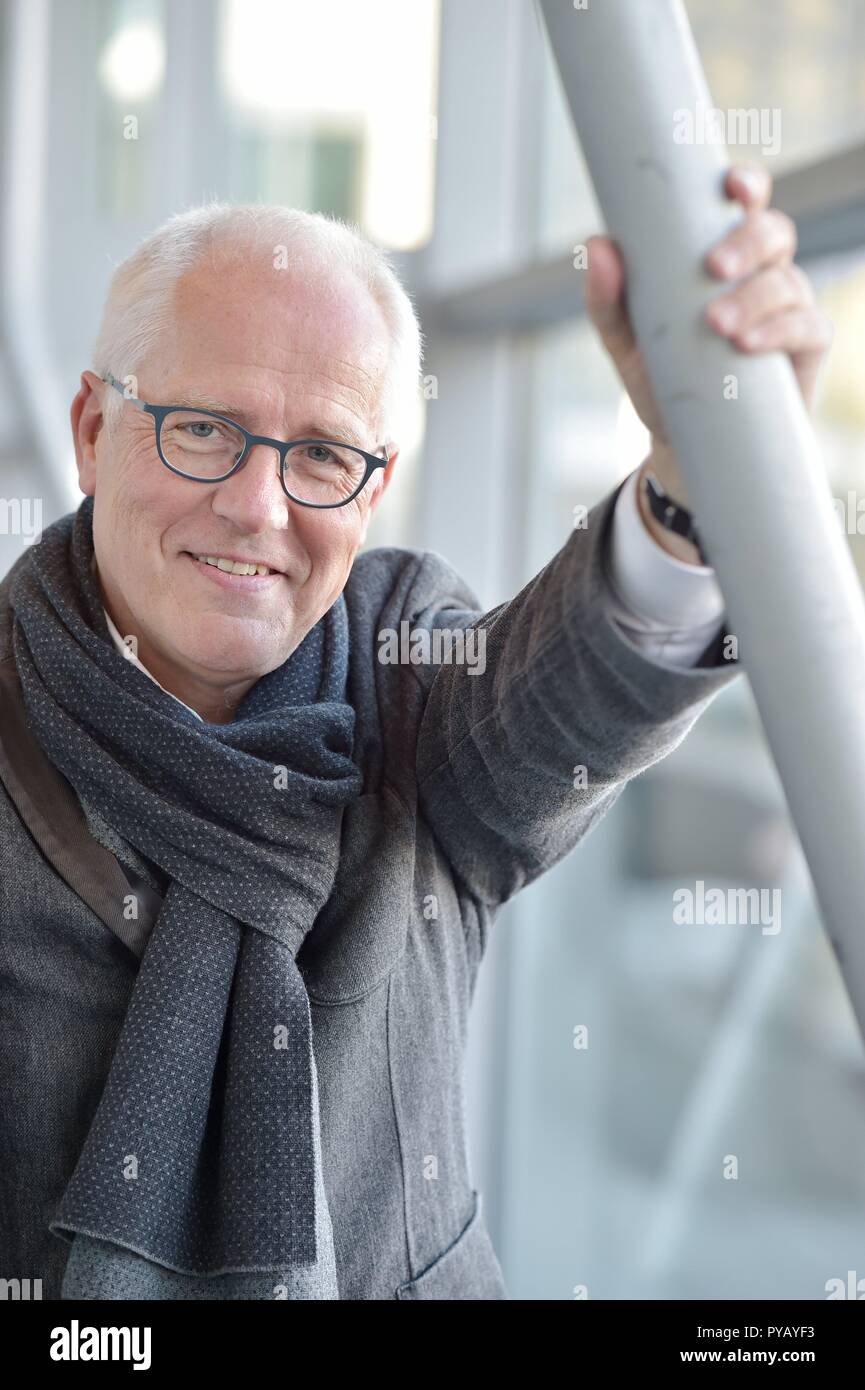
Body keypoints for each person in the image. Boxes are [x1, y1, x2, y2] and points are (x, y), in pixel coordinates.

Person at [0, 163, 831, 1299]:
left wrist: (693, 471)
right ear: (94, 431)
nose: (258, 506)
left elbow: (551, 708)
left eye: (323, 456)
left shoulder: (405, 663)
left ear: (374, 487)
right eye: (201, 428)